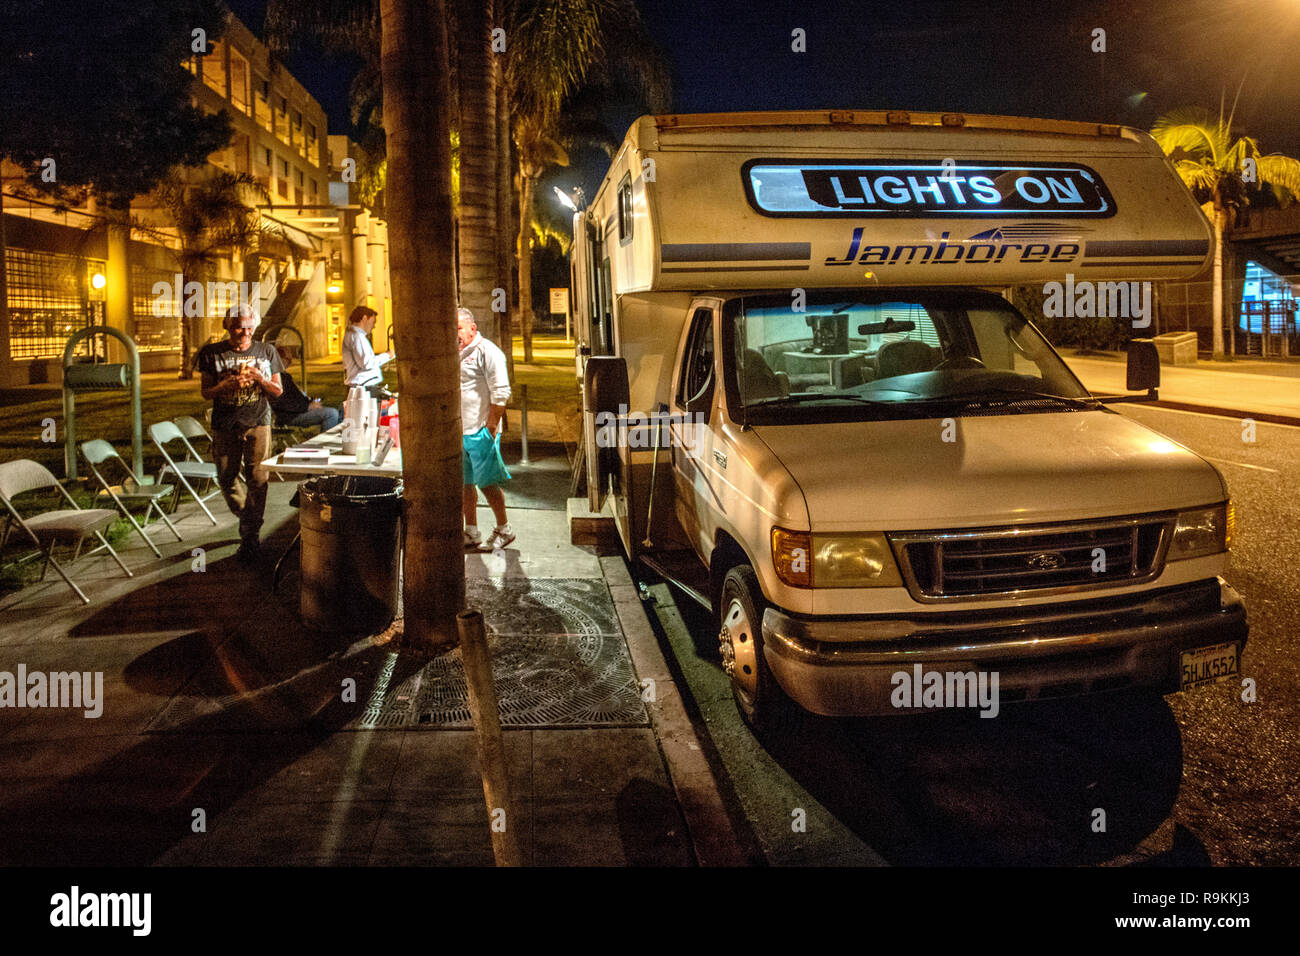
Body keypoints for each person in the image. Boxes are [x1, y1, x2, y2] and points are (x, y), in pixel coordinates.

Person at [198, 303, 284, 562]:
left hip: (258, 421)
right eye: (238, 328)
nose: (244, 334)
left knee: (258, 478)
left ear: (254, 327)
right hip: (225, 424)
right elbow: (205, 392)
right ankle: (249, 517)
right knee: (225, 476)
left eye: (248, 328)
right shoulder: (211, 353)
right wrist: (224, 385)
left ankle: (250, 536)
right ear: (227, 327)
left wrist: (260, 378)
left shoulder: (266, 351)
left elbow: (278, 391)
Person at [458, 307, 513, 550]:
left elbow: (501, 392)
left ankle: (504, 528)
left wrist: (490, 427)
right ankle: (471, 530)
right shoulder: (454, 352)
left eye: (458, 328)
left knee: (487, 483)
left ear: (472, 328)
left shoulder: (488, 351)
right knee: (465, 483)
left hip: (480, 430)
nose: (455, 334)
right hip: (460, 431)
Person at [270, 345, 341, 431]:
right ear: (278, 360)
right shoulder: (276, 379)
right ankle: (325, 442)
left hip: (298, 410)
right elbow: (283, 403)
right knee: (331, 414)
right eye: (287, 359)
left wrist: (310, 401)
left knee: (340, 411)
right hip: (290, 416)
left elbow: (296, 397)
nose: (289, 362)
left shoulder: (285, 376)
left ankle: (335, 441)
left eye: (290, 359)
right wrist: (308, 406)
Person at [342, 304, 393, 392]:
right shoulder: (357, 336)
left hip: (360, 386)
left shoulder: (353, 334)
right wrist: (387, 355)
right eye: (373, 322)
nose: (374, 326)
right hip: (363, 387)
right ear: (364, 318)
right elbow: (367, 363)